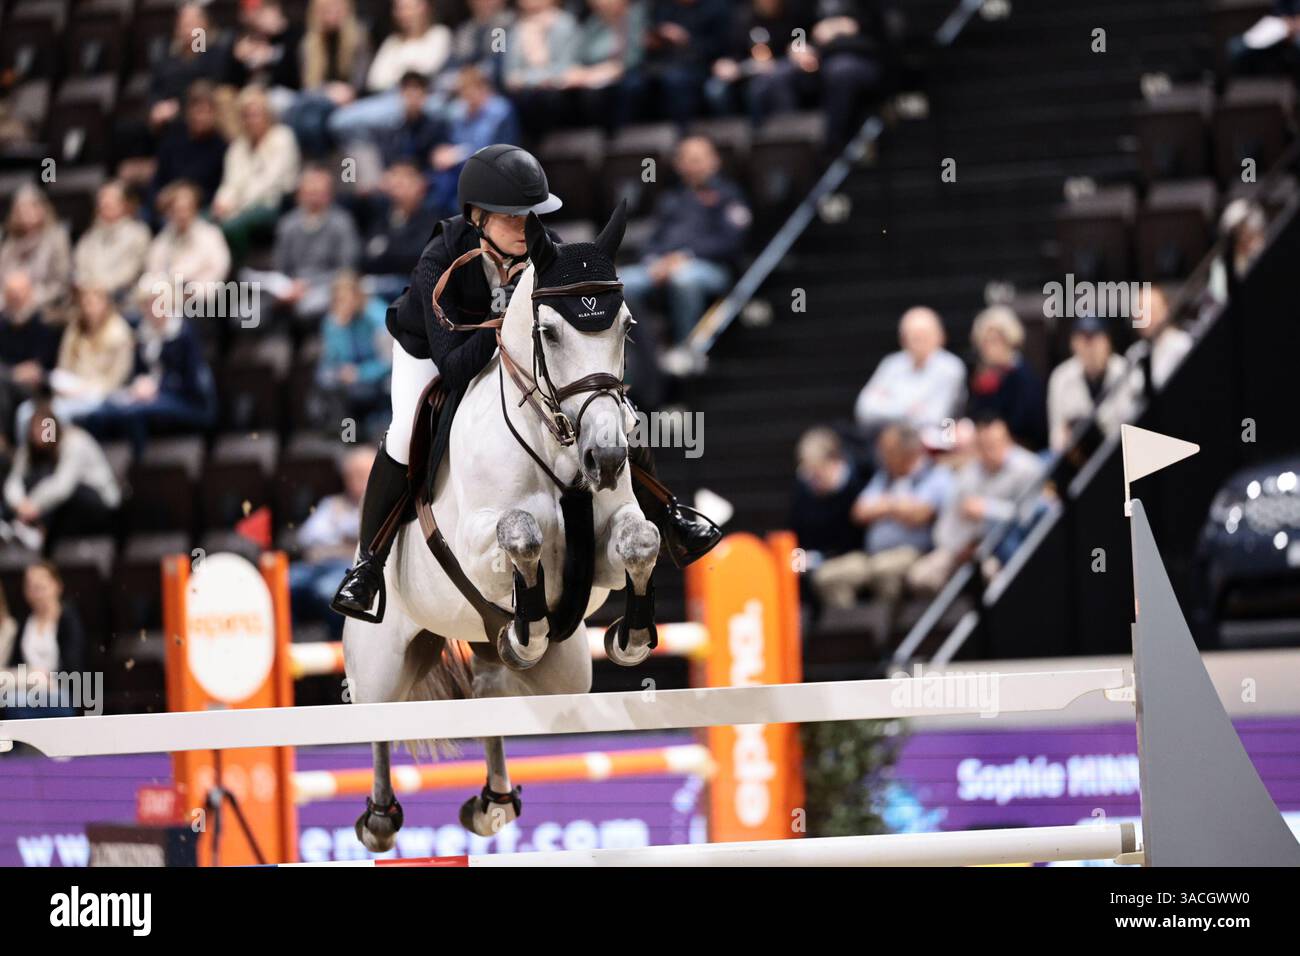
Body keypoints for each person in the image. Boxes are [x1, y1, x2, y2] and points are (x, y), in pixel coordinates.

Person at [332, 143, 720, 622]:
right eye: (513, 218)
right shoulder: (440, 257)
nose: (526, 228)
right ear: (477, 216)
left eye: (531, 217)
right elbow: (454, 368)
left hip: (512, 352)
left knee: (611, 412)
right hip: (430, 352)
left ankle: (669, 514)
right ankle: (369, 565)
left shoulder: (542, 247)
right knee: (405, 433)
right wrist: (505, 316)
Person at [811, 424, 950, 624]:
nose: (881, 455)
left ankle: (888, 636)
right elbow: (859, 512)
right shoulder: (884, 477)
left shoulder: (936, 475)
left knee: (883, 570)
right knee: (827, 576)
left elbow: (920, 514)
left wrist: (884, 506)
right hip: (872, 555)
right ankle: (857, 633)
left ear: (907, 452)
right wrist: (897, 506)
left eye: (888, 451)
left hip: (914, 553)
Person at [619, 136, 751, 346]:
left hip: (711, 268)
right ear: (678, 165)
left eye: (698, 159)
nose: (692, 165)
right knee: (619, 284)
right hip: (663, 266)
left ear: (714, 161)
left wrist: (684, 257)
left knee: (684, 278)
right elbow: (650, 242)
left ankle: (688, 349)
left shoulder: (729, 196)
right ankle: (642, 352)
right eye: (686, 159)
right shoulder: (670, 199)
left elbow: (731, 243)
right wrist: (654, 262)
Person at [907, 413, 1042, 595]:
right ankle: (953, 618)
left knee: (991, 576)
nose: (990, 452)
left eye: (995, 444)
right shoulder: (968, 474)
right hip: (962, 547)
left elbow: (1030, 516)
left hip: (1002, 549)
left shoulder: (1029, 467)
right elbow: (945, 526)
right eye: (984, 446)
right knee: (920, 576)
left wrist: (988, 509)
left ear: (1008, 440)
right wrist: (958, 548)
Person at [79, 303, 216, 454]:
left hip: (186, 400)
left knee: (135, 413)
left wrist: (157, 387)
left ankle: (140, 466)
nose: (152, 310)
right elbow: (139, 373)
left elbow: (191, 381)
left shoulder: (183, 333)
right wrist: (139, 386)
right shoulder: (143, 331)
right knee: (103, 410)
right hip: (150, 397)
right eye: (147, 305)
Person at [327, 0, 453, 145]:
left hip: (423, 97)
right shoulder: (392, 41)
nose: (406, 14)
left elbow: (425, 72)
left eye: (411, 8)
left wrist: (402, 73)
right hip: (389, 97)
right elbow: (375, 79)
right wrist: (406, 71)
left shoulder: (439, 34)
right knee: (339, 121)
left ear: (425, 8)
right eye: (401, 9)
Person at [15, 285, 134, 435]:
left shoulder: (119, 333)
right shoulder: (75, 330)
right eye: (85, 304)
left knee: (57, 417)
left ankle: (57, 453)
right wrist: (64, 386)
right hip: (69, 392)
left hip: (100, 396)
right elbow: (63, 366)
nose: (88, 309)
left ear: (105, 304)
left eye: (93, 303)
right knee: (25, 413)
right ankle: (27, 456)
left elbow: (118, 377)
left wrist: (89, 389)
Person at [3, 402, 120, 549]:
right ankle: (22, 528)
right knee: (35, 476)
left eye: (45, 428)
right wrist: (19, 504)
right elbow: (14, 480)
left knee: (47, 479)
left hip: (97, 500)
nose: (41, 434)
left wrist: (33, 504)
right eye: (36, 429)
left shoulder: (75, 441)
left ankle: (35, 531)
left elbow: (62, 485)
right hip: (55, 508)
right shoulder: (29, 450)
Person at [260, 165, 361, 328]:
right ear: (299, 195)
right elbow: (280, 266)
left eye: (318, 192)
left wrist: (307, 284)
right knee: (248, 311)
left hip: (328, 285)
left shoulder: (342, 223)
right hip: (292, 286)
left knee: (308, 307)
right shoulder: (288, 224)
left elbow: (347, 269)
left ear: (329, 195)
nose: (313, 196)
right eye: (309, 192)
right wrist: (289, 287)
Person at [211, 85, 302, 262]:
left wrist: (236, 208)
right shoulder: (238, 146)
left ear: (267, 115)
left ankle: (239, 271)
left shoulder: (283, 137)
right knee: (203, 221)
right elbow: (230, 182)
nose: (251, 120)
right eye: (246, 115)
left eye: (256, 114)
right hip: (239, 206)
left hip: (272, 203)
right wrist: (222, 202)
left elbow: (271, 182)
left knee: (232, 226)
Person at [290, 444, 374, 636]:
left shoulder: (378, 508)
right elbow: (307, 537)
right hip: (317, 566)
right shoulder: (332, 504)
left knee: (327, 590)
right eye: (352, 475)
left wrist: (338, 537)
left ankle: (339, 642)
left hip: (351, 569)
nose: (357, 480)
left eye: (363, 474)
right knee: (287, 582)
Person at [853, 306, 967, 439]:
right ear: (903, 340)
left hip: (941, 438)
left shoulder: (951, 367)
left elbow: (936, 417)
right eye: (913, 337)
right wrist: (907, 409)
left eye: (923, 336)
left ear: (940, 337)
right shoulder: (891, 364)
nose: (918, 342)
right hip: (892, 440)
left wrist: (888, 403)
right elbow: (864, 409)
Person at [285, 0, 374, 156]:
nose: (332, 13)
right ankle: (316, 169)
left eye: (336, 8)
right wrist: (327, 91)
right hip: (319, 98)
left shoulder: (360, 37)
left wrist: (347, 92)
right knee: (301, 112)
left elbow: (361, 81)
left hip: (351, 100)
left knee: (312, 120)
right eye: (326, 9)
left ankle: (333, 170)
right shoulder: (308, 43)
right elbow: (308, 85)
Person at [0, 562, 86, 718]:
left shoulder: (68, 620)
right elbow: (14, 662)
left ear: (57, 586)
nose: (36, 592)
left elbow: (74, 665)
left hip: (60, 689)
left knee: (12, 701)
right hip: (27, 686)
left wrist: (49, 679)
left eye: (41, 586)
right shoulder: (25, 622)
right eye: (31, 587)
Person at [708, 0, 811, 125]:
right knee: (716, 88)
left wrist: (799, 51)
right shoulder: (742, 16)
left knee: (769, 82)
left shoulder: (794, 13)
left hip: (784, 66)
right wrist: (726, 64)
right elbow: (732, 54)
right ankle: (732, 132)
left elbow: (800, 45)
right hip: (749, 69)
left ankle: (788, 129)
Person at [315, 271, 392, 435]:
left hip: (376, 379)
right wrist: (339, 329)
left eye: (347, 299)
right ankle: (346, 438)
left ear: (358, 297)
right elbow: (330, 362)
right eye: (338, 300)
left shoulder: (378, 317)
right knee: (325, 380)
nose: (343, 305)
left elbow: (389, 362)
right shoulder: (332, 322)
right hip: (348, 383)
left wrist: (360, 374)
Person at [1045, 315, 1132, 452]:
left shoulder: (1126, 371)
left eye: (1095, 338)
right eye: (1084, 340)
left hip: (1119, 452)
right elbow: (1056, 435)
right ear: (1073, 344)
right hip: (1078, 458)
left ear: (1107, 342)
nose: (1090, 347)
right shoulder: (1061, 377)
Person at [789, 425, 868, 573]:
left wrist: (824, 557)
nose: (813, 481)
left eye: (818, 474)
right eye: (809, 473)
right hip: (813, 558)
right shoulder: (803, 488)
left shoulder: (857, 482)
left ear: (834, 463)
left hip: (850, 556)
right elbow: (797, 532)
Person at [966, 306, 1047, 450]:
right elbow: (973, 414)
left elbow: (1029, 425)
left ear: (1009, 341)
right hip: (984, 447)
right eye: (985, 342)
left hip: (1021, 448)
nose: (989, 348)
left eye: (995, 341)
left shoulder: (1023, 375)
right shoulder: (981, 376)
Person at [361, 160, 441, 300]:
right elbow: (366, 257)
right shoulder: (384, 217)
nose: (398, 189)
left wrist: (385, 251)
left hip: (414, 286)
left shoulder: (431, 218)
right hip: (379, 284)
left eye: (404, 182)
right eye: (395, 183)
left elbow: (418, 257)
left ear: (420, 185)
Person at [564, 0, 648, 131]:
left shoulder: (636, 16)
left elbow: (633, 56)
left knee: (628, 88)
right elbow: (583, 54)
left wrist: (616, 68)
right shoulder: (593, 21)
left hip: (630, 71)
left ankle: (618, 133)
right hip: (596, 72)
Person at [149, 81, 229, 218]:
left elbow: (218, 190)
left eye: (207, 112)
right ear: (189, 112)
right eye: (198, 111)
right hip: (166, 207)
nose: (202, 117)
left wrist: (185, 196)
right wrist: (158, 198)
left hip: (200, 210)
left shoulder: (221, 147)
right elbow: (158, 179)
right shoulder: (173, 138)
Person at [502, 0, 580, 139]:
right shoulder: (514, 30)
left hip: (559, 93)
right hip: (527, 96)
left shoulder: (565, 24)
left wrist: (532, 76)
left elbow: (566, 69)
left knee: (546, 97)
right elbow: (510, 76)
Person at [0, 271, 62, 441]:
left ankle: (3, 441)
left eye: (21, 292)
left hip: (40, 391)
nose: (17, 297)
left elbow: (37, 368)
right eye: (12, 293)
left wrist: (16, 372)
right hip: (8, 383)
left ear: (30, 293)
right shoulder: (2, 325)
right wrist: (12, 373)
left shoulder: (46, 324)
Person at [141, 181, 232, 293]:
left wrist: (191, 292)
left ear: (195, 208)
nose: (182, 215)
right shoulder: (163, 239)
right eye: (176, 210)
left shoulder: (211, 235)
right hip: (163, 298)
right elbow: (153, 271)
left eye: (186, 209)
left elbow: (218, 271)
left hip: (196, 301)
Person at [72, 182, 153, 306]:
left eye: (110, 198)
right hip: (89, 299)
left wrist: (100, 289)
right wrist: (88, 288)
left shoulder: (138, 233)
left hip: (123, 300)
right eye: (102, 198)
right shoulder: (89, 236)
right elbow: (79, 269)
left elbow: (130, 273)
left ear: (124, 204)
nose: (105, 202)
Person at [0, 184, 72, 320]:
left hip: (44, 303)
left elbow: (61, 284)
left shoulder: (56, 238)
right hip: (10, 303)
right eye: (21, 209)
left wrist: (30, 297)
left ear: (42, 209)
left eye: (31, 207)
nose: (25, 213)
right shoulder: (9, 243)